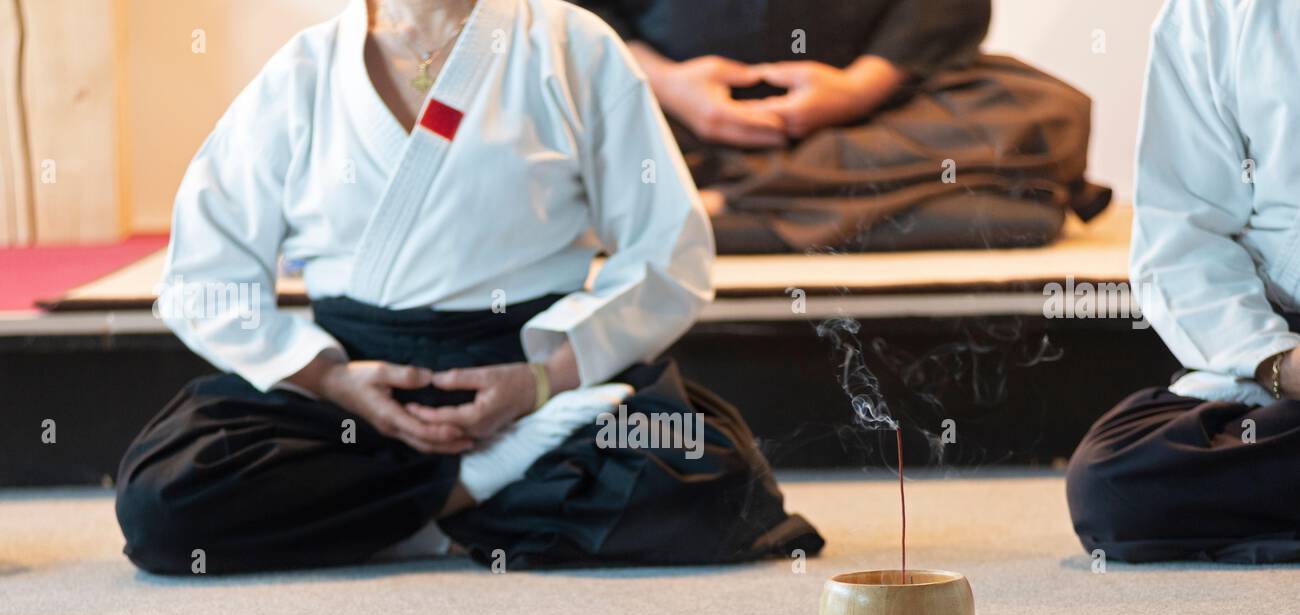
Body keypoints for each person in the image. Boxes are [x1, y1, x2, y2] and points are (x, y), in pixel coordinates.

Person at [115, 0, 823, 575]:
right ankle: (479, 490)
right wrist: (332, 382)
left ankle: (392, 514)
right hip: (357, 394)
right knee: (165, 497)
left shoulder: (571, 45)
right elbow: (205, 276)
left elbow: (670, 251)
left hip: (533, 376)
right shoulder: (301, 73)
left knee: (710, 475)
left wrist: (542, 382)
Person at [574, 0, 1110, 253]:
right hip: (667, 107)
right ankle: (803, 196)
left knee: (1044, 112)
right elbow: (571, 15)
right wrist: (666, 83)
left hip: (871, 111)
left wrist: (859, 88)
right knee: (559, 125)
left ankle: (713, 201)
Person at [1066, 0, 1300, 564]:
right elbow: (1182, 235)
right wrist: (1280, 364)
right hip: (1289, 353)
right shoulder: (1210, 13)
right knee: (1111, 480)